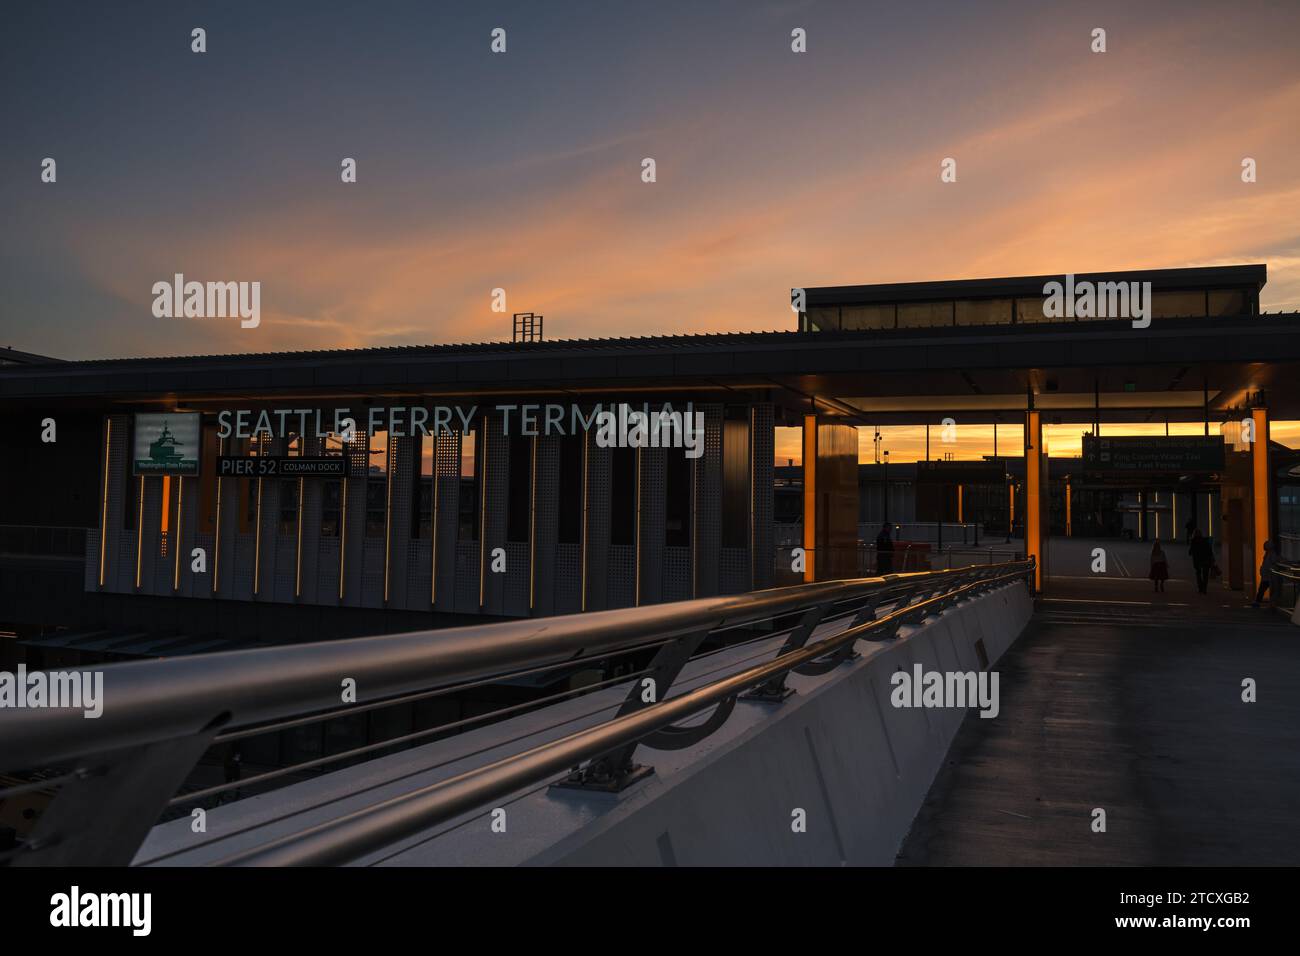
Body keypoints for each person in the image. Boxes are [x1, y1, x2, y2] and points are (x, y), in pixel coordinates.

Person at [1189, 529, 1214, 595]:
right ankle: (1204, 588)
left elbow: (1191, 551)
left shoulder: (1193, 541)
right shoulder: (1205, 540)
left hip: (1197, 560)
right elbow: (1209, 550)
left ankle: (1200, 588)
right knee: (1205, 575)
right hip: (1206, 559)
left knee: (1198, 574)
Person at [1252, 540, 1276, 607]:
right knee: (1263, 588)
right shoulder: (1269, 554)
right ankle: (1259, 601)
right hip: (1267, 575)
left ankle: (1258, 601)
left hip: (1268, 575)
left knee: (1262, 588)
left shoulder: (1271, 554)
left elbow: (1272, 562)